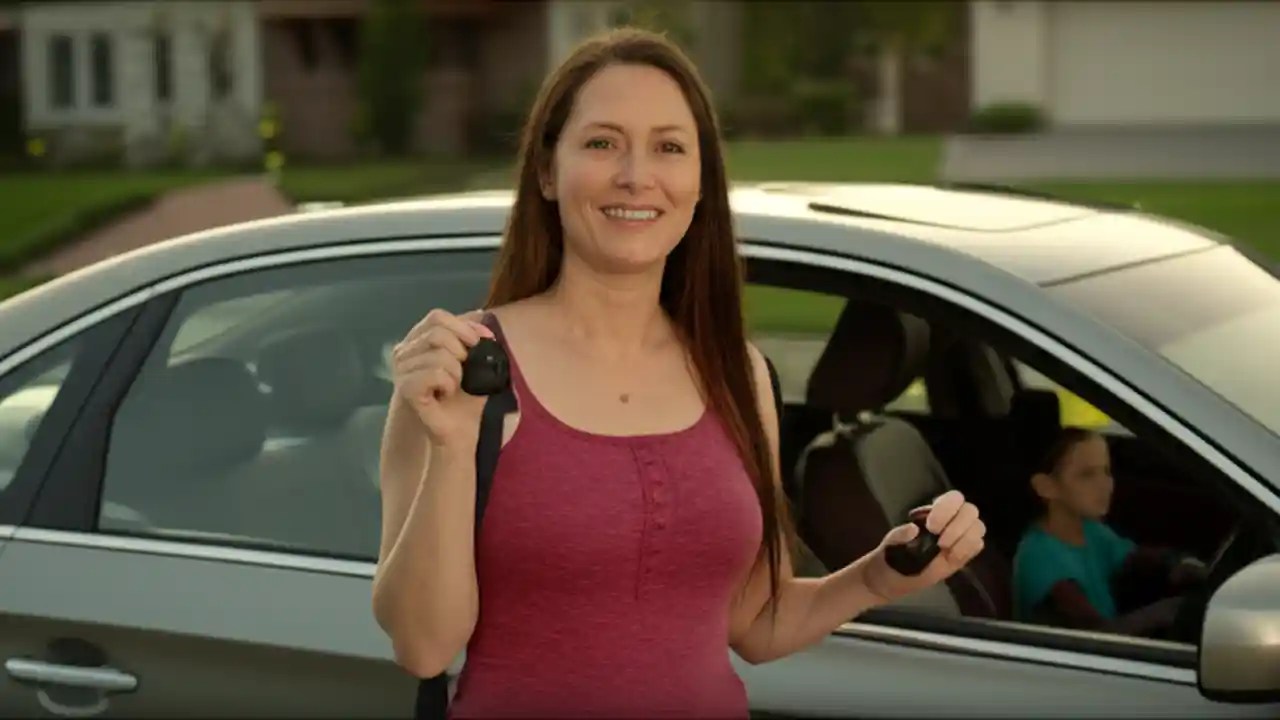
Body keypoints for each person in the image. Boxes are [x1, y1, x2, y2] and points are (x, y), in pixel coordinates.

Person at [371, 27, 987, 718]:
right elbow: (423, 648)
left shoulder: (736, 374)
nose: (637, 175)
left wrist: (880, 576)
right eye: (602, 143)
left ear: (699, 183)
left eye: (668, 147)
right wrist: (453, 448)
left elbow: (753, 622)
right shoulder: (462, 372)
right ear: (547, 171)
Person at [1012, 427, 1208, 636]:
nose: (1105, 485)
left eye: (1107, 471)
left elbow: (1136, 557)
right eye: (1087, 475)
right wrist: (1164, 612)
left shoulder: (1090, 531)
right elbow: (1095, 634)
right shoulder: (1039, 558)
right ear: (1046, 487)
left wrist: (1177, 563)